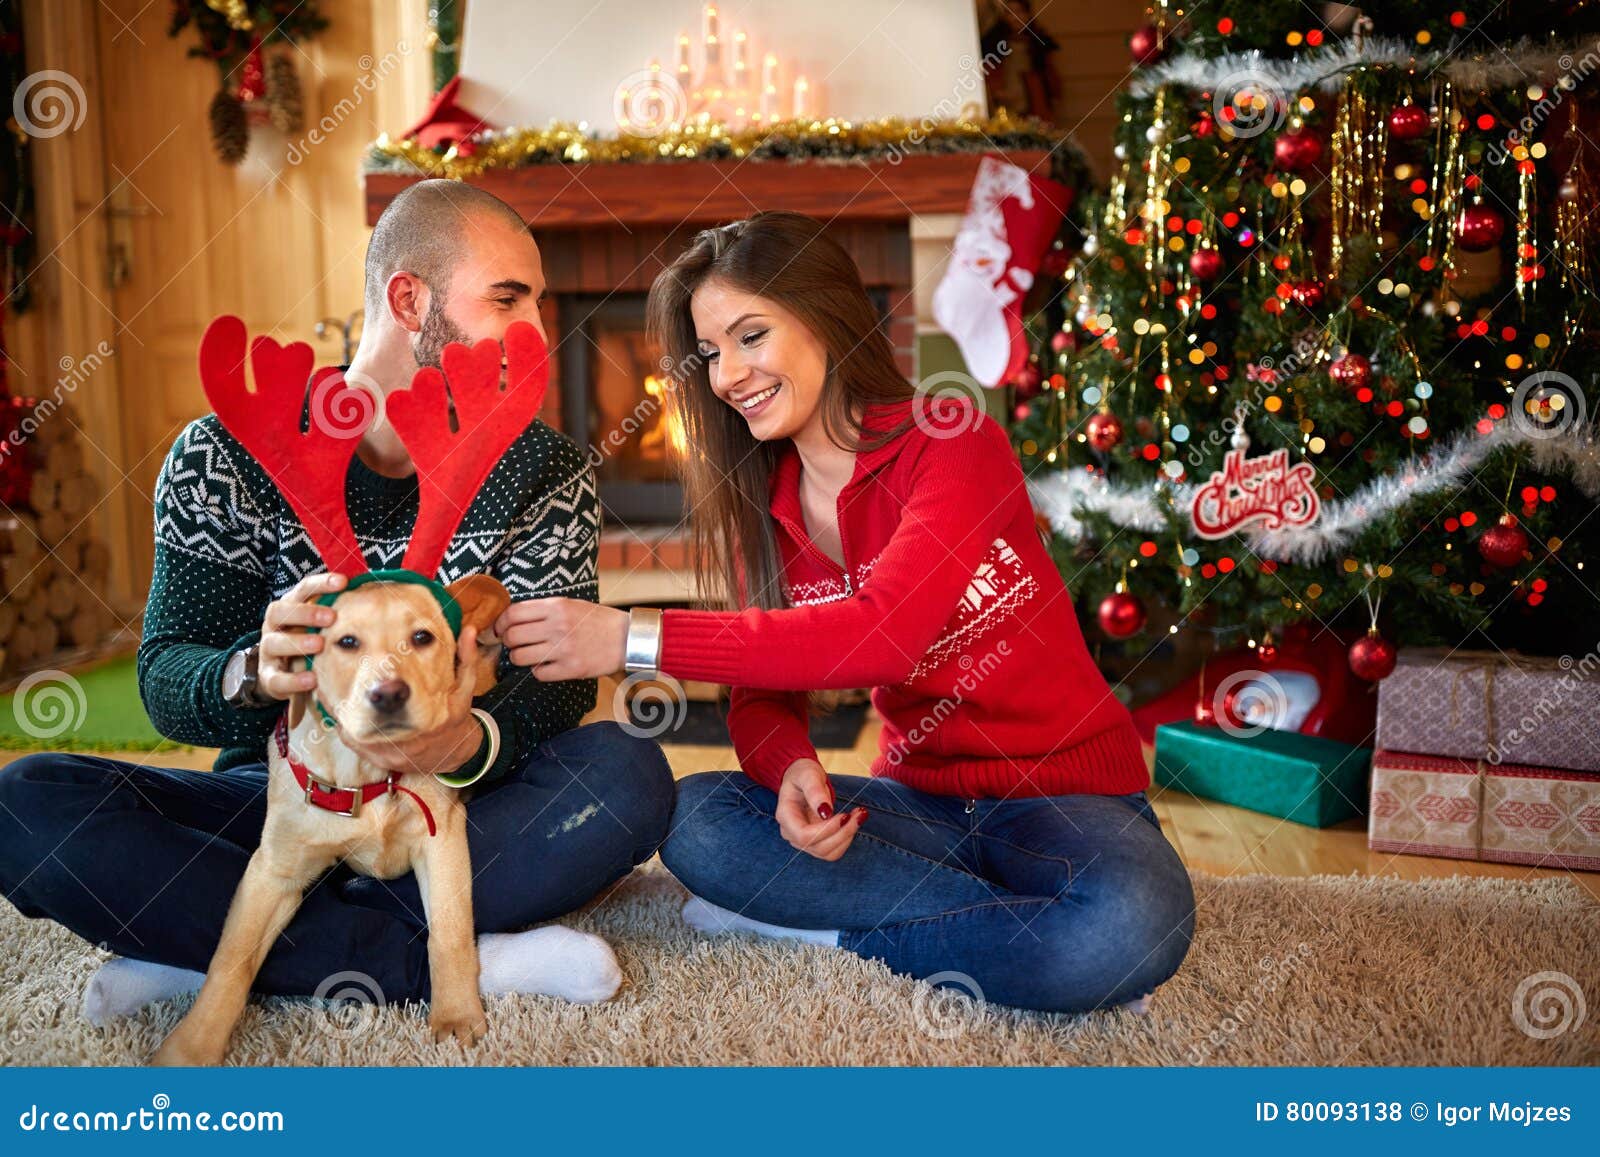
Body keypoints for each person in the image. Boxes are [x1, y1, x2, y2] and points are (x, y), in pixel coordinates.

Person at [0, 180, 675, 1023]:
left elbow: (562, 684)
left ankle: (219, 954)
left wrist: (467, 735)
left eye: (538, 301)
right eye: (508, 299)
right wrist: (254, 669)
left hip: (457, 805)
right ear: (408, 299)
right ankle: (452, 956)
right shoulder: (225, 454)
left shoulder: (547, 468)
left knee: (630, 776)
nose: (537, 329)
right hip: (286, 806)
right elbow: (167, 677)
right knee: (28, 803)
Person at [496, 211, 1196, 1014]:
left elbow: (881, 635)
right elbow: (762, 695)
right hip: (921, 803)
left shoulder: (950, 440)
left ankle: (831, 931)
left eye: (751, 336)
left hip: (1067, 799)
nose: (728, 375)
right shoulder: (764, 500)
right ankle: (1027, 940)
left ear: (826, 316)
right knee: (700, 819)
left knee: (1134, 926)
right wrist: (790, 766)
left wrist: (632, 635)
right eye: (713, 352)